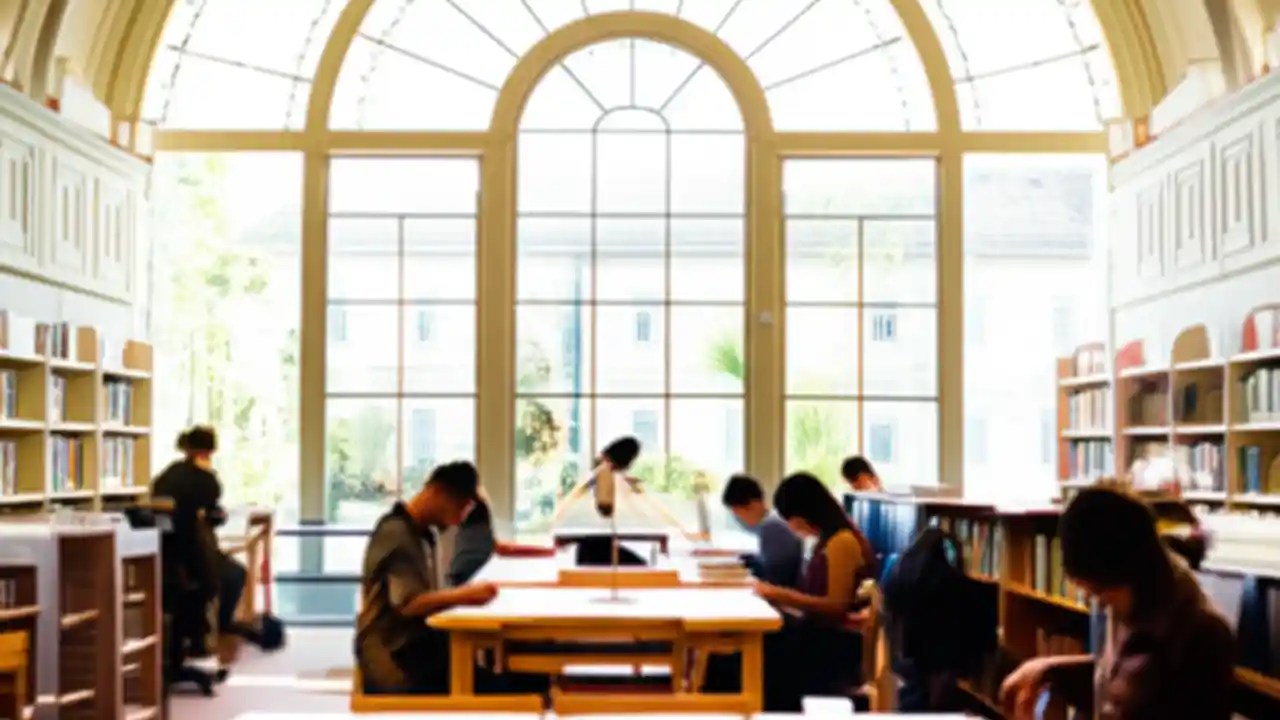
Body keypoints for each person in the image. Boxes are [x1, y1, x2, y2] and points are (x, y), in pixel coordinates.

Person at [999, 488, 1235, 720]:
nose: (1101, 606)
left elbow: (1143, 692)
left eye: (1101, 592)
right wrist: (1048, 670)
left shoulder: (1203, 637)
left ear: (1133, 573)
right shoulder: (1131, 607)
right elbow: (1118, 682)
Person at [356, 461, 500, 694]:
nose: (459, 519)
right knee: (505, 689)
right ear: (437, 492)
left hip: (415, 651)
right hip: (395, 661)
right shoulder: (397, 533)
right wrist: (465, 595)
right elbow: (408, 604)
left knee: (506, 678)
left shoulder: (422, 535)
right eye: (459, 506)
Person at [755, 472, 875, 710]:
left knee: (762, 653)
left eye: (790, 518)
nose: (790, 526)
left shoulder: (842, 542)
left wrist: (782, 595)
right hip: (819, 633)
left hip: (834, 642)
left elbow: (836, 606)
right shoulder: (826, 540)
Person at [151, 426, 248, 678]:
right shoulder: (204, 479)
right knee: (235, 575)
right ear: (209, 451)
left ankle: (192, 639)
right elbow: (208, 510)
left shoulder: (168, 475)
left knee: (197, 586)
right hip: (194, 556)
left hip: (166, 557)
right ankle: (215, 632)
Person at [720, 474, 803, 588]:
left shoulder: (772, 527)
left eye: (737, 512)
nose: (738, 519)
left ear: (752, 505)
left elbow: (774, 578)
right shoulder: (772, 523)